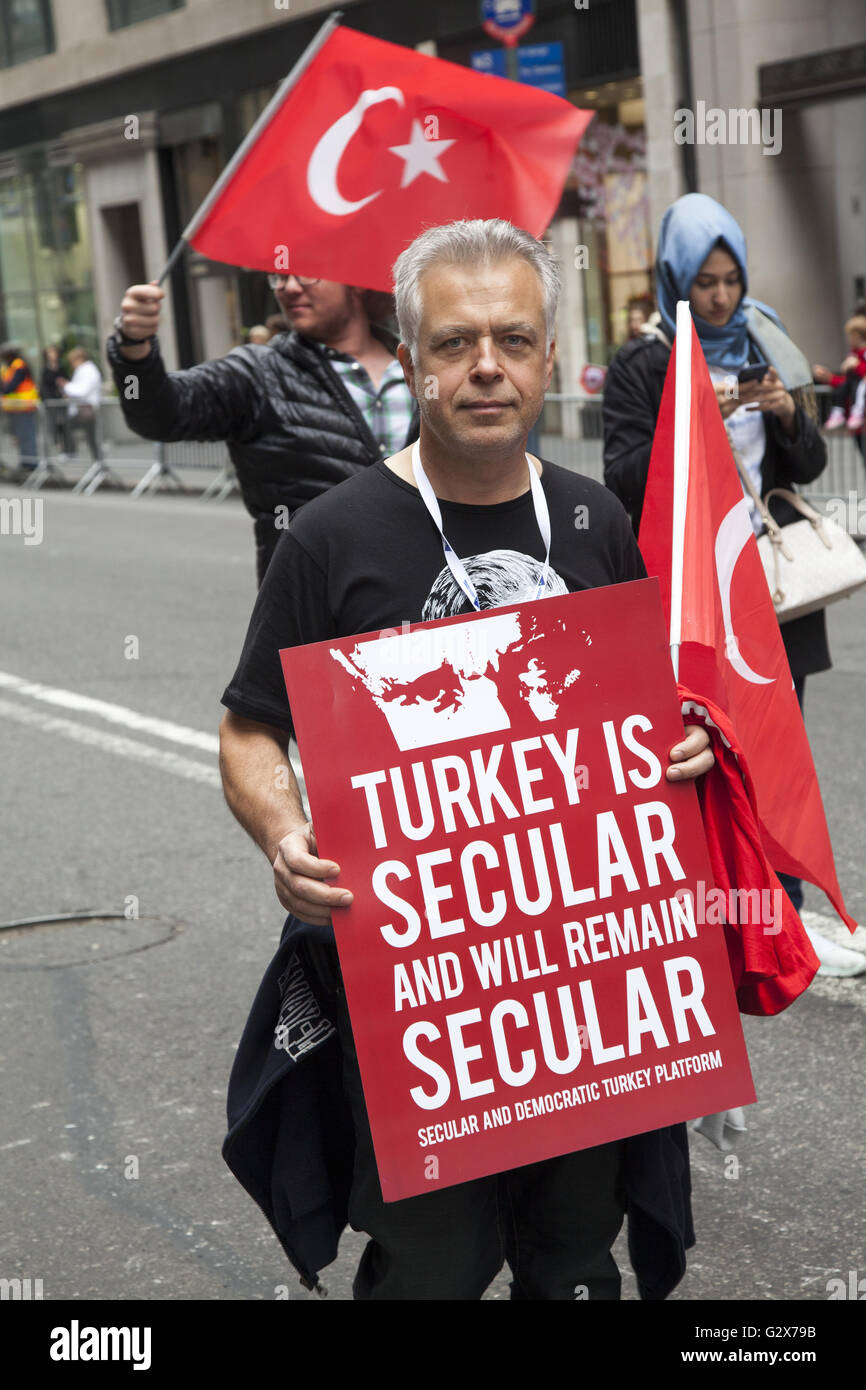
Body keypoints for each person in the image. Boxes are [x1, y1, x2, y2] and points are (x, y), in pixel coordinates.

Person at [218, 218, 717, 1301]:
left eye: (511, 339)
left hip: (587, 979)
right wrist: (284, 831)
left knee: (578, 1256)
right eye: (452, 343)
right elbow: (252, 726)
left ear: (547, 358)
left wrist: (682, 741)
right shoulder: (332, 538)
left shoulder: (593, 519)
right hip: (422, 991)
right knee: (433, 1267)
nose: (484, 366)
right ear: (406, 355)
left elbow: (644, 707)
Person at [603, 192, 865, 979]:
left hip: (769, 586)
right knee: (706, 750)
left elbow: (809, 468)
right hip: (691, 596)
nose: (719, 297)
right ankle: (707, 908)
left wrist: (786, 415)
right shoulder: (646, 360)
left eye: (730, 280)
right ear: (676, 279)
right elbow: (619, 478)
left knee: (777, 747)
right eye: (704, 282)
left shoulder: (762, 340)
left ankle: (781, 912)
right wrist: (690, 423)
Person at [107, 273, 419, 585]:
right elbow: (160, 415)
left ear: (354, 278)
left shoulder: (423, 367)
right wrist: (134, 347)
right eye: (279, 276)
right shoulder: (257, 373)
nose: (289, 287)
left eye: (308, 273)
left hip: (425, 592)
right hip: (313, 602)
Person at [813, 314, 866, 435]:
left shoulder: (861, 354)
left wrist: (857, 365)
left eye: (851, 335)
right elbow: (849, 382)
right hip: (856, 424)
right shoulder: (854, 353)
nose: (849, 339)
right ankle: (838, 412)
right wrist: (829, 378)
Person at [59, 346, 104, 462]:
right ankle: (96, 461)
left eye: (72, 361)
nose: (72, 365)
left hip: (86, 408)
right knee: (89, 436)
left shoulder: (88, 371)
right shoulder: (84, 370)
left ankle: (96, 461)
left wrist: (66, 386)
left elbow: (82, 390)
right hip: (83, 407)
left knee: (91, 437)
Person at [0, 343, 40, 472]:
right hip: (17, 407)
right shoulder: (10, 367)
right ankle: (26, 462)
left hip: (25, 406)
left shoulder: (18, 365)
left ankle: (31, 463)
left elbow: (9, 387)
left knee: (27, 435)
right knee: (22, 436)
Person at [40, 345, 72, 455]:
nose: (53, 355)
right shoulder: (45, 369)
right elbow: (44, 386)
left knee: (64, 424)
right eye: (50, 353)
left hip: (61, 401)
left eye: (54, 352)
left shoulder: (61, 367)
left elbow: (67, 380)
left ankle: (68, 448)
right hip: (52, 402)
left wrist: (65, 391)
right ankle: (60, 447)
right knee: (55, 425)